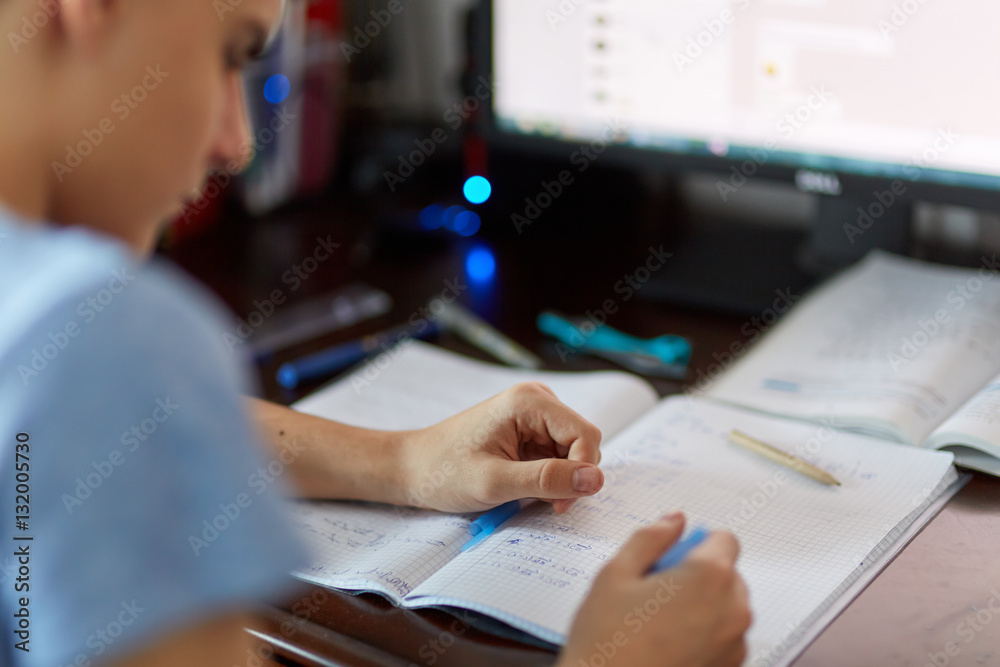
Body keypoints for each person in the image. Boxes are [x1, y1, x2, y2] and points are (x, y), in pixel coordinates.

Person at [0, 0, 752, 665]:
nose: (237, 143)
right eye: (230, 54)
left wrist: (403, 462)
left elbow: (111, 433)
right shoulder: (100, 333)